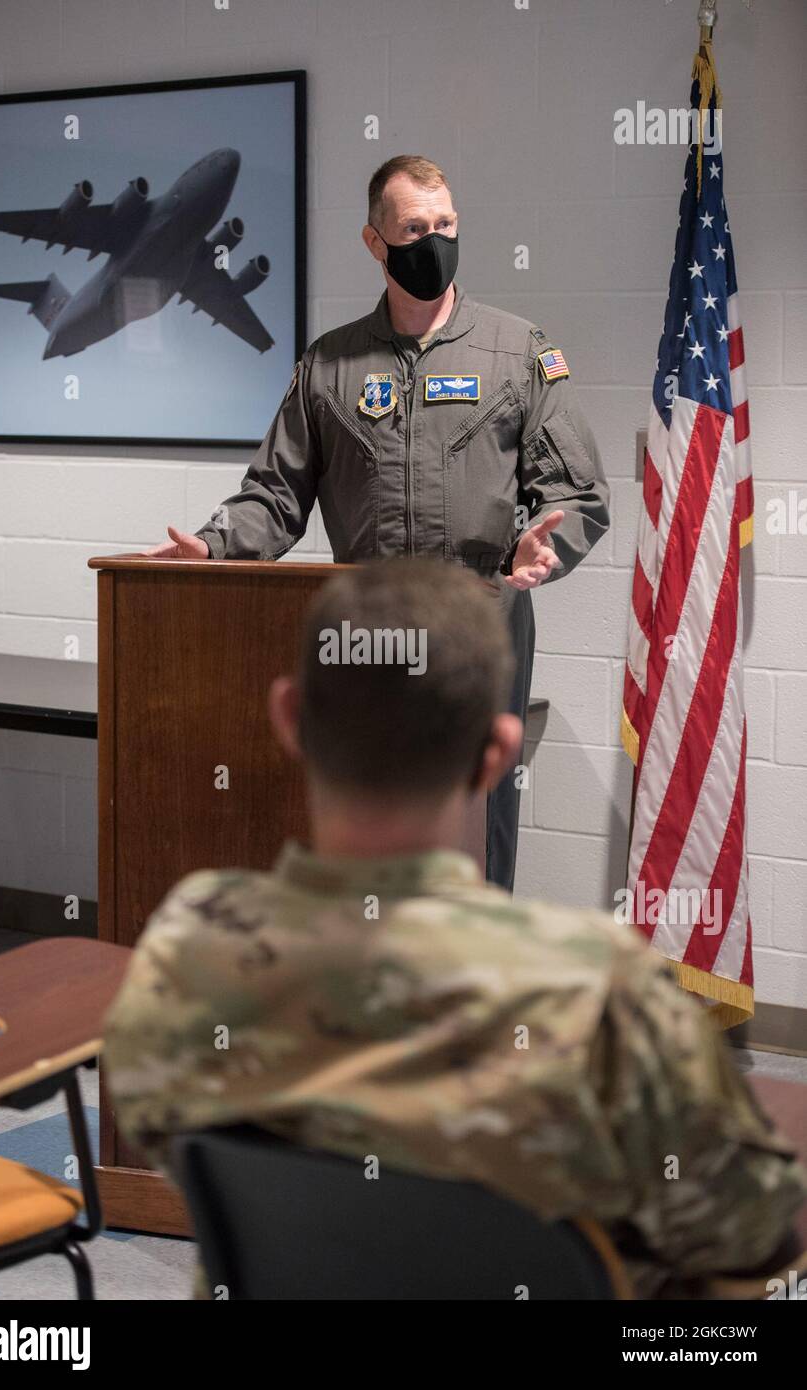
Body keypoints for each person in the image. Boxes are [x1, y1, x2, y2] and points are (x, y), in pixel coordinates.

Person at [103, 559, 806, 1299]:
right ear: (498, 752)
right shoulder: (602, 990)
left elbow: (162, 1131)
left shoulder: (189, 949)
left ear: (288, 717)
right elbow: (748, 1233)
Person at [144, 154, 610, 891]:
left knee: (474, 827)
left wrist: (545, 551)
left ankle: (471, 988)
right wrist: (212, 542)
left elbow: (579, 495)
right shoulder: (331, 365)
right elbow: (275, 494)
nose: (434, 241)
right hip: (366, 632)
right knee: (365, 820)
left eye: (446, 225)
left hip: (480, 624)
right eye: (414, 228)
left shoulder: (518, 351)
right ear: (374, 242)